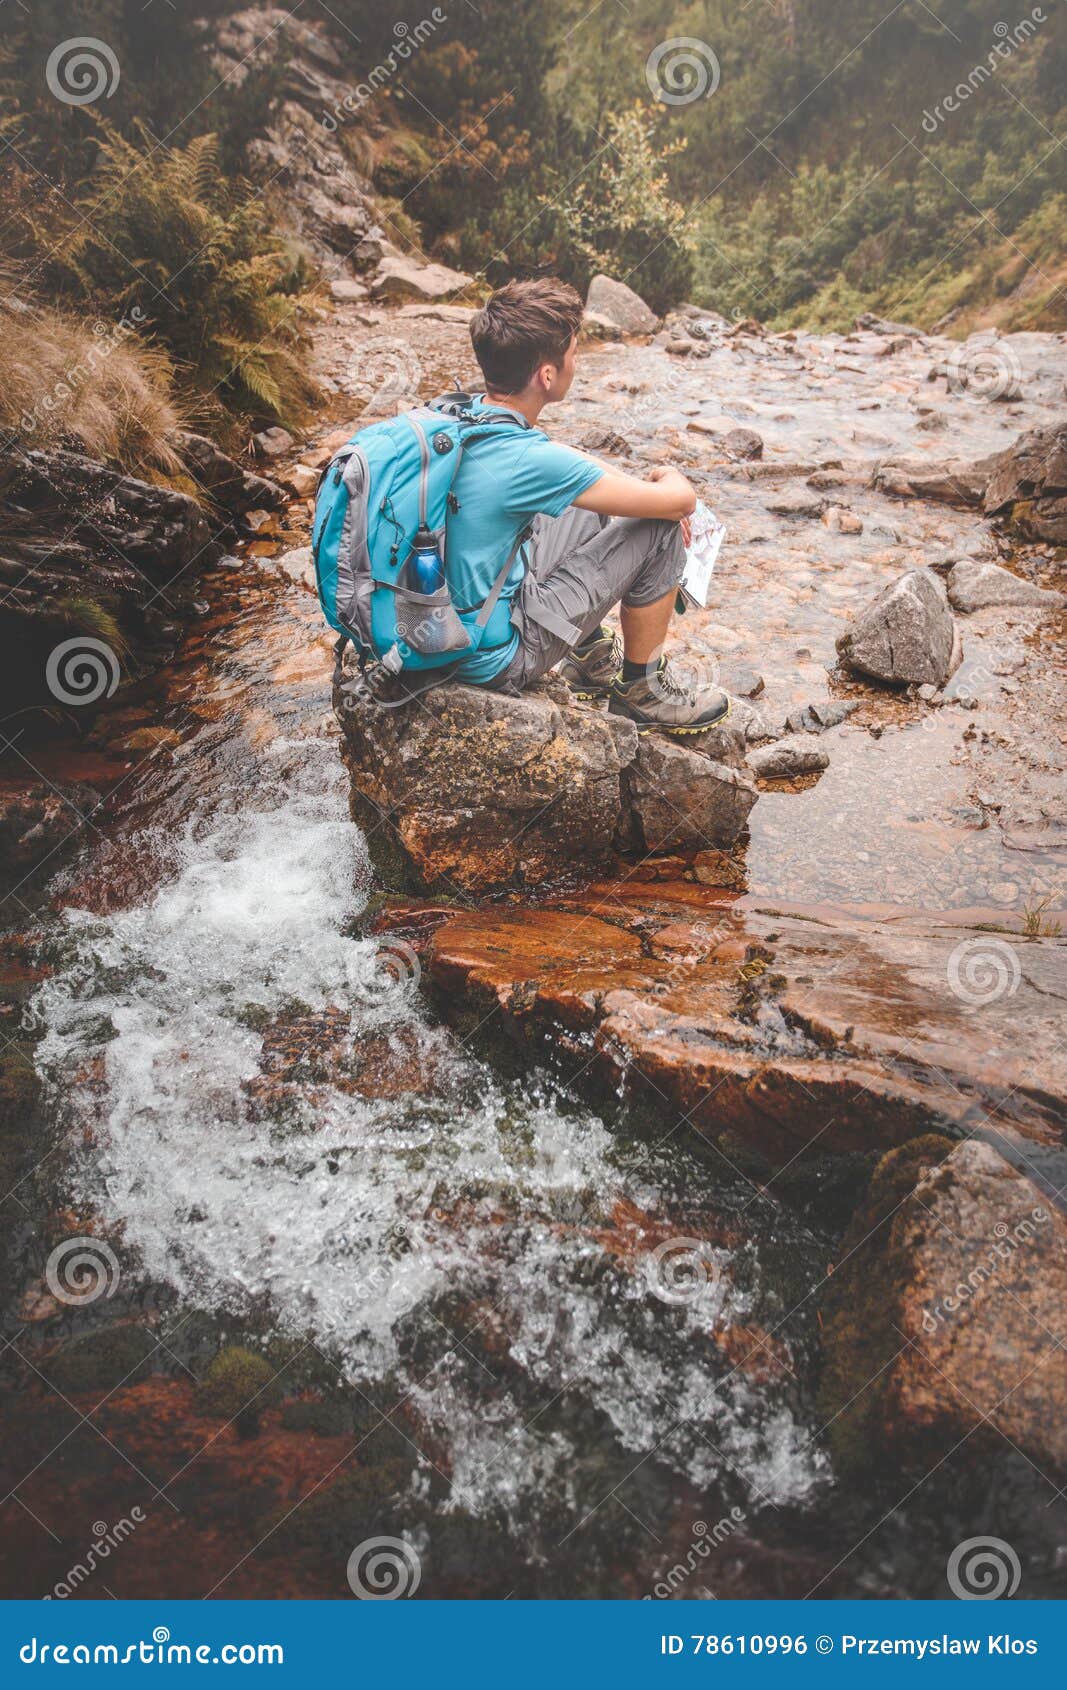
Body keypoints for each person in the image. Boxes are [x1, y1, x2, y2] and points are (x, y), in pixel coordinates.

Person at [444, 276, 729, 734]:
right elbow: (680, 502)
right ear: (548, 374)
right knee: (660, 528)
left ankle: (589, 658)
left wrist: (636, 487)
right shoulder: (530, 459)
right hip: (494, 659)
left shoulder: (463, 413)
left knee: (579, 504)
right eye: (574, 354)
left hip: (444, 625)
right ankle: (642, 691)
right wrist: (668, 480)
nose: (578, 363)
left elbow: (575, 467)